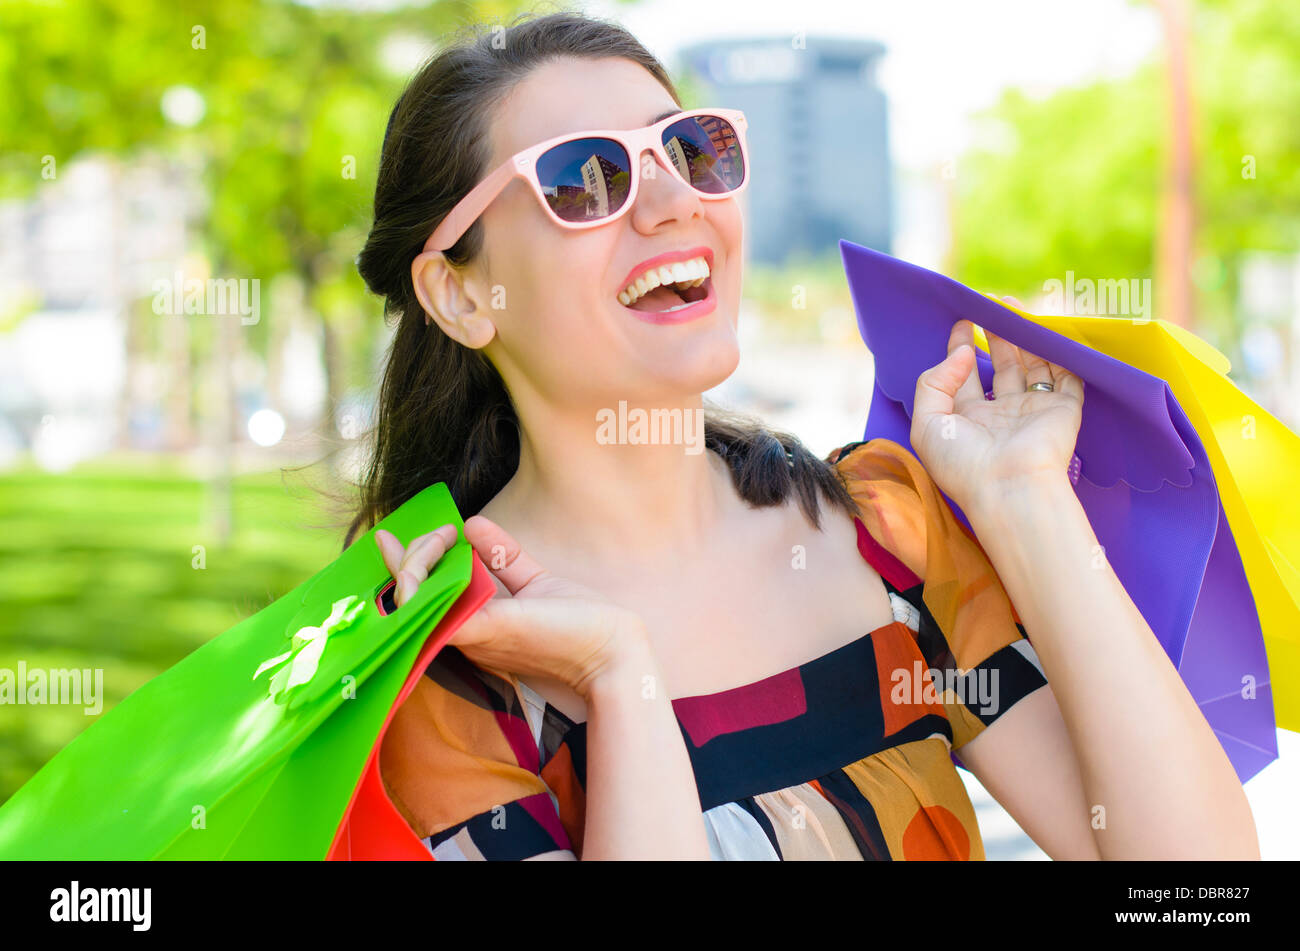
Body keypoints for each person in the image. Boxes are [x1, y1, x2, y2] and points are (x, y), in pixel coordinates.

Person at [345, 10, 1258, 860]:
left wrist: (1026, 502)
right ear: (460, 294)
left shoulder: (889, 536)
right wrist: (619, 682)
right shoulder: (456, 670)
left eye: (690, 150)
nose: (672, 204)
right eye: (586, 177)